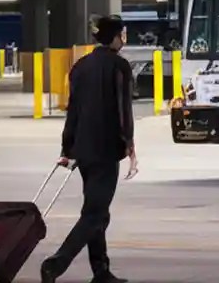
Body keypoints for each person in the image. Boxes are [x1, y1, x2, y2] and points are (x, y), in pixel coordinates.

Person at [41, 15, 138, 283]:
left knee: (98, 211)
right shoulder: (119, 66)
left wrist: (66, 147)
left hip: (83, 151)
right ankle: (55, 264)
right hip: (106, 151)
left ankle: (101, 271)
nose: (125, 38)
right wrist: (130, 146)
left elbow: (73, 111)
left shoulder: (80, 66)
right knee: (94, 214)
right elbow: (123, 110)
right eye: (123, 33)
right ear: (116, 37)